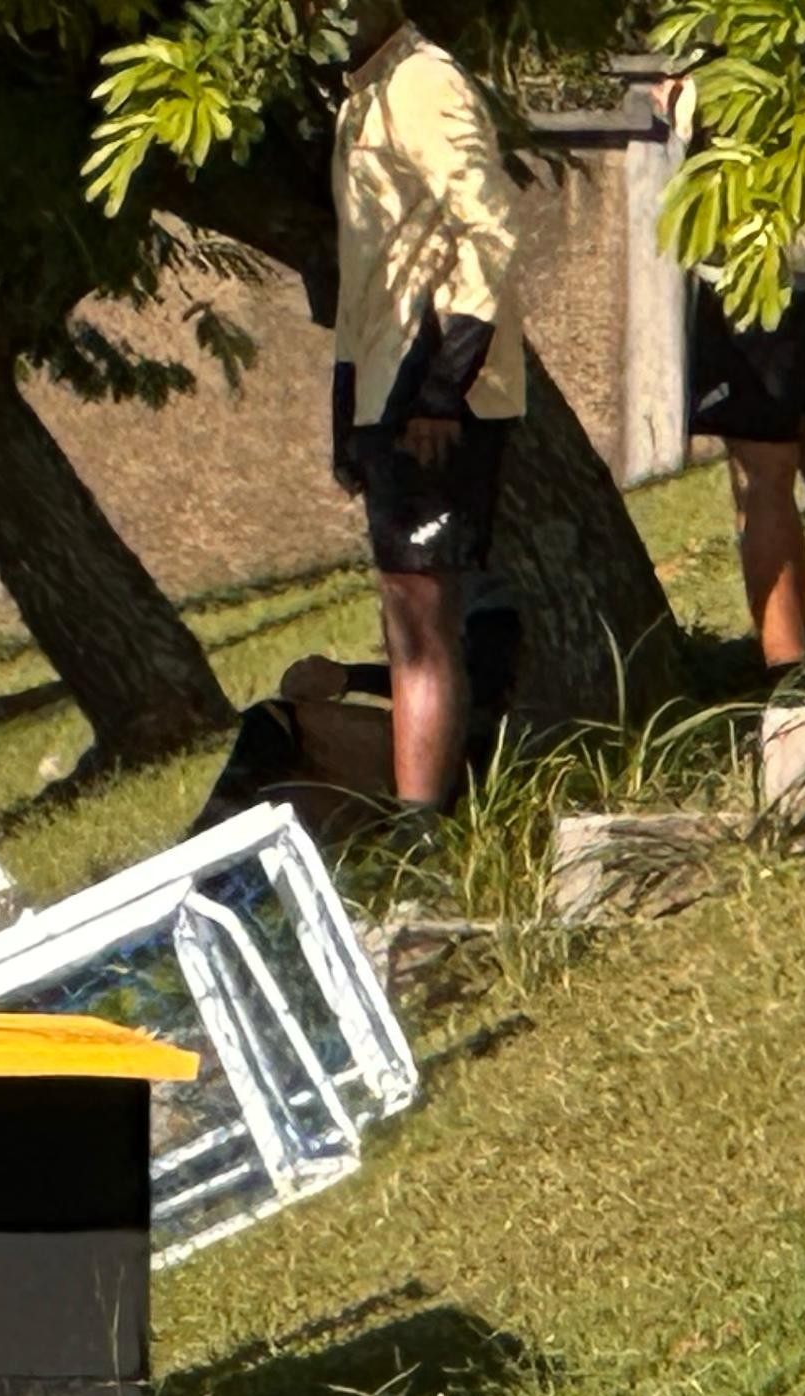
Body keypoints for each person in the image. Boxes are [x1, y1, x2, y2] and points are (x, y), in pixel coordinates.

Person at [330, 0, 528, 810]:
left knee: (424, 623)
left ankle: (424, 830)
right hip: (385, 388)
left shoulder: (422, 81)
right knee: (404, 618)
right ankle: (421, 821)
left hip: (434, 392)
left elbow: (491, 227)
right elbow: (362, 274)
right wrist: (346, 414)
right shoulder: (361, 92)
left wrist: (447, 386)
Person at [680, 106, 805, 670]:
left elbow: (710, 107)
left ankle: (788, 675)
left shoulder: (723, 25)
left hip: (757, 258)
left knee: (765, 473)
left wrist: (678, 97)